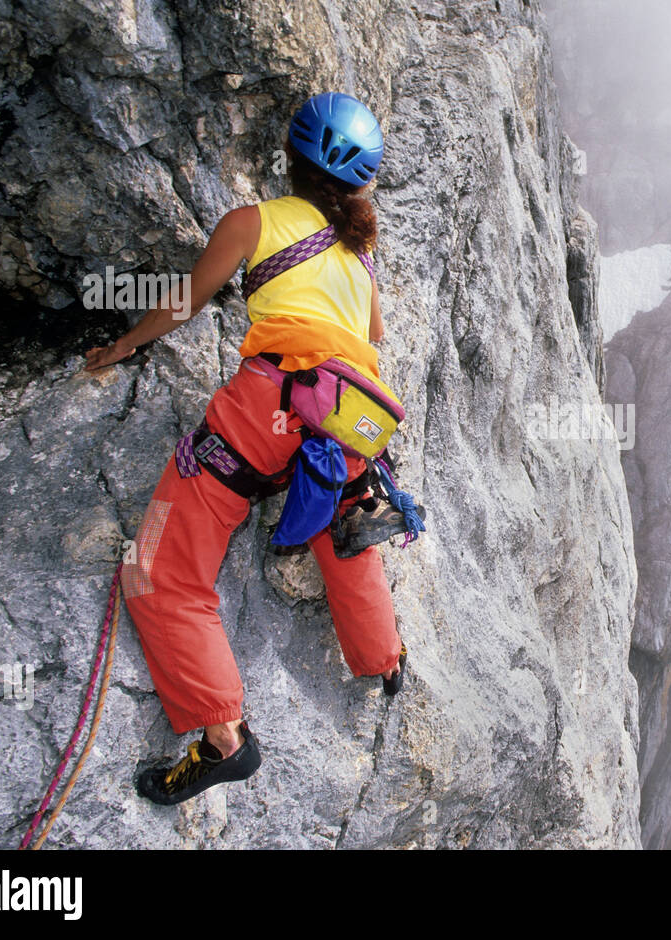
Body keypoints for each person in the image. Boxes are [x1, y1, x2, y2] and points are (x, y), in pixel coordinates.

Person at [84, 93, 407, 805]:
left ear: (289, 157)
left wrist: (122, 346)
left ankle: (224, 738)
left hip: (268, 411)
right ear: (359, 184)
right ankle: (384, 658)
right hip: (350, 416)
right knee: (342, 512)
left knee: (157, 570)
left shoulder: (254, 223)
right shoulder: (361, 250)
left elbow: (186, 301)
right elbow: (374, 337)